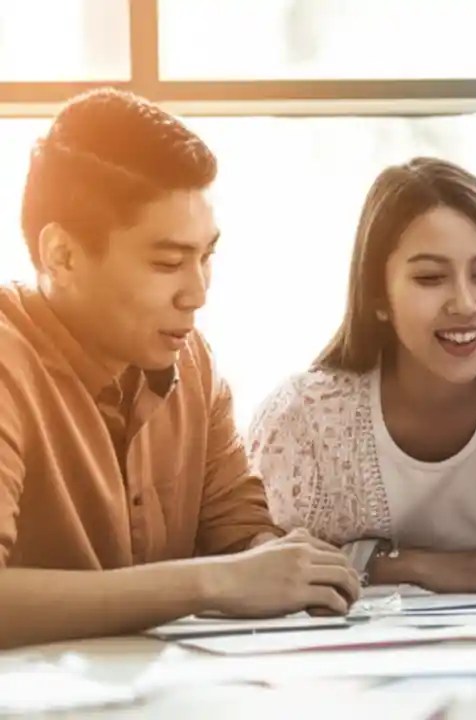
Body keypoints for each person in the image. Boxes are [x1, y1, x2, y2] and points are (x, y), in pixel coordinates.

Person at [0, 88, 360, 649]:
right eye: (167, 262)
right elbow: (223, 575)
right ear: (62, 257)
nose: (197, 293)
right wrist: (212, 582)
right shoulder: (7, 364)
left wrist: (276, 563)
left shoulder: (191, 363)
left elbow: (241, 538)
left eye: (206, 256)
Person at [249, 157, 476, 595]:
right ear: (377, 296)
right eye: (430, 278)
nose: (465, 303)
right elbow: (264, 570)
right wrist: (416, 567)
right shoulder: (302, 418)